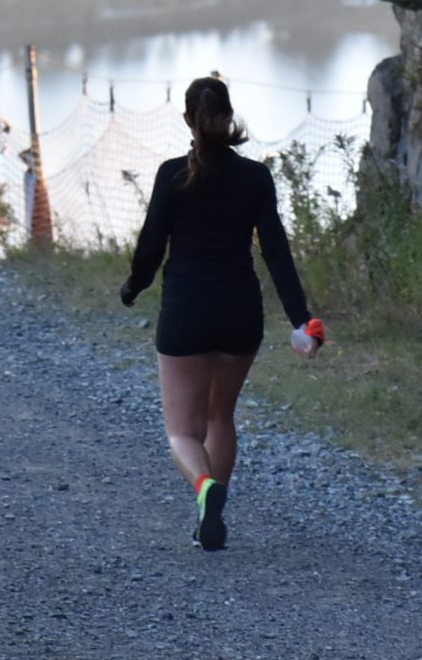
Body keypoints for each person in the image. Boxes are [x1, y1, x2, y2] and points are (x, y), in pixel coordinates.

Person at [119, 75, 324, 549]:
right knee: (220, 417)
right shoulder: (255, 177)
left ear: (189, 121)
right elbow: (276, 252)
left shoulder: (172, 174)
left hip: (186, 313)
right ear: (228, 117)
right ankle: (212, 516)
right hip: (239, 313)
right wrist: (301, 318)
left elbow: (151, 246)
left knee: (181, 431)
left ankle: (204, 489)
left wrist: (135, 286)